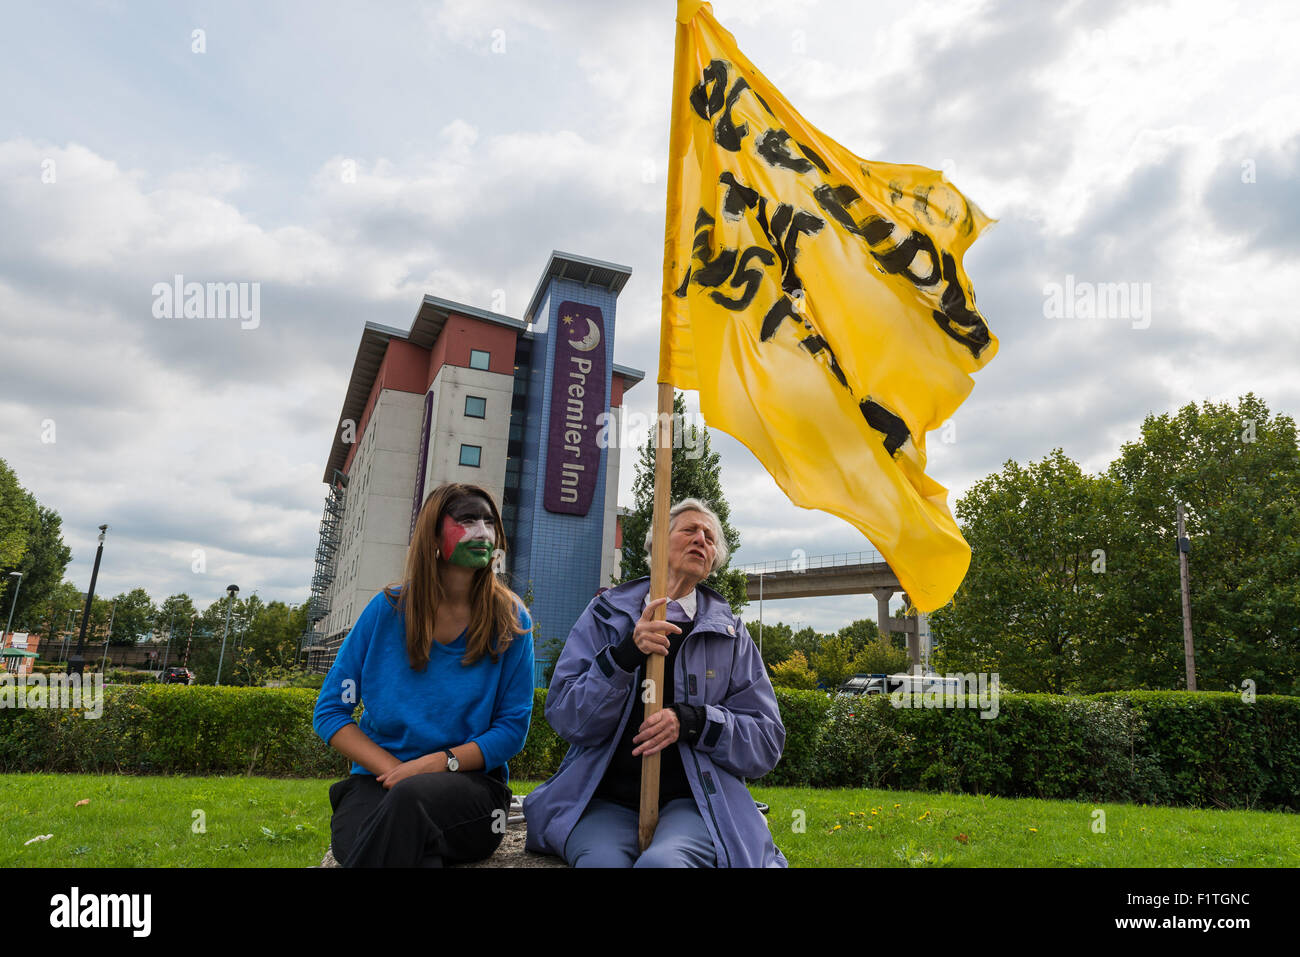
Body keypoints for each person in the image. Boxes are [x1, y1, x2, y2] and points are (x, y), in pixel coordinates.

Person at [524, 498, 787, 867]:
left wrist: (693, 722)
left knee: (662, 865)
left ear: (713, 561)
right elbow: (567, 717)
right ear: (655, 545)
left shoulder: (731, 636)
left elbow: (765, 742)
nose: (701, 539)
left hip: (697, 806)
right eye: (689, 530)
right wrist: (625, 655)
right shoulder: (605, 616)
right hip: (605, 801)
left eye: (710, 537)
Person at [313, 483, 534, 867]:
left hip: (472, 791)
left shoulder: (512, 621)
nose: (483, 532)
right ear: (433, 534)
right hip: (378, 781)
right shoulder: (385, 612)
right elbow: (331, 712)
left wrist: (437, 764)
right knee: (416, 850)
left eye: (488, 522)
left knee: (408, 803)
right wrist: (397, 771)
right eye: (466, 520)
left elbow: (512, 730)